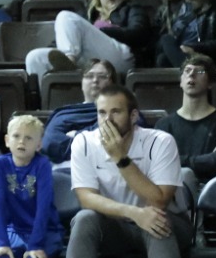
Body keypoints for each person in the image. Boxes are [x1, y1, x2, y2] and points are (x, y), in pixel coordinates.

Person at [68, 84, 187, 258]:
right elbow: (86, 198)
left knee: (157, 219)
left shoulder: (160, 142)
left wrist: (120, 158)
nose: (107, 119)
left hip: (169, 224)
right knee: (84, 218)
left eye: (116, 112)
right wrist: (133, 212)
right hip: (117, 225)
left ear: (133, 116)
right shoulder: (84, 142)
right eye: (102, 112)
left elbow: (159, 201)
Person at [23, 0, 151, 84]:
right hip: (89, 59)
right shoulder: (87, 14)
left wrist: (103, 31)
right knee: (34, 57)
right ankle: (47, 102)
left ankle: (70, 61)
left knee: (65, 16)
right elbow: (67, 35)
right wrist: (54, 51)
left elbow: (139, 33)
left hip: (121, 57)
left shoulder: (131, 9)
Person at [152, 54, 216, 189]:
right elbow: (157, 163)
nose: (192, 75)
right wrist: (207, 159)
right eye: (187, 71)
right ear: (180, 81)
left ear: (211, 83)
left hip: (214, 193)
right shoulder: (163, 125)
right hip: (174, 193)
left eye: (199, 71)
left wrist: (176, 159)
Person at [0, 114, 59, 258]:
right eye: (16, 136)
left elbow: (43, 207)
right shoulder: (0, 164)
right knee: (2, 255)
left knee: (34, 256)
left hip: (45, 230)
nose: (22, 141)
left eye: (29, 138)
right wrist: (2, 242)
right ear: (7, 140)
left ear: (39, 145)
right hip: (14, 229)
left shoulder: (43, 164)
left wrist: (35, 245)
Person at [43, 58, 121, 163]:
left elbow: (119, 136)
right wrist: (89, 144)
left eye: (102, 76)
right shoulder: (64, 112)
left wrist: (78, 135)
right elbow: (49, 142)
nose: (95, 80)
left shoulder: (122, 111)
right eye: (89, 76)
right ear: (82, 84)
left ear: (113, 84)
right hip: (60, 167)